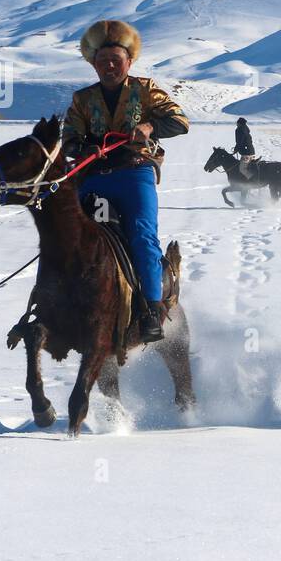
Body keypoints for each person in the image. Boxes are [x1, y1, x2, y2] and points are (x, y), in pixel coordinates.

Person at [62, 19, 190, 342]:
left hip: (135, 175)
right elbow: (69, 139)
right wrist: (82, 146)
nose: (108, 66)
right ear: (94, 64)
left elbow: (180, 122)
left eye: (115, 60)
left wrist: (149, 127)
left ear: (129, 61)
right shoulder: (82, 100)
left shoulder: (145, 90)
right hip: (93, 178)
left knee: (143, 238)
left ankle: (150, 312)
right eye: (102, 61)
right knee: (69, 239)